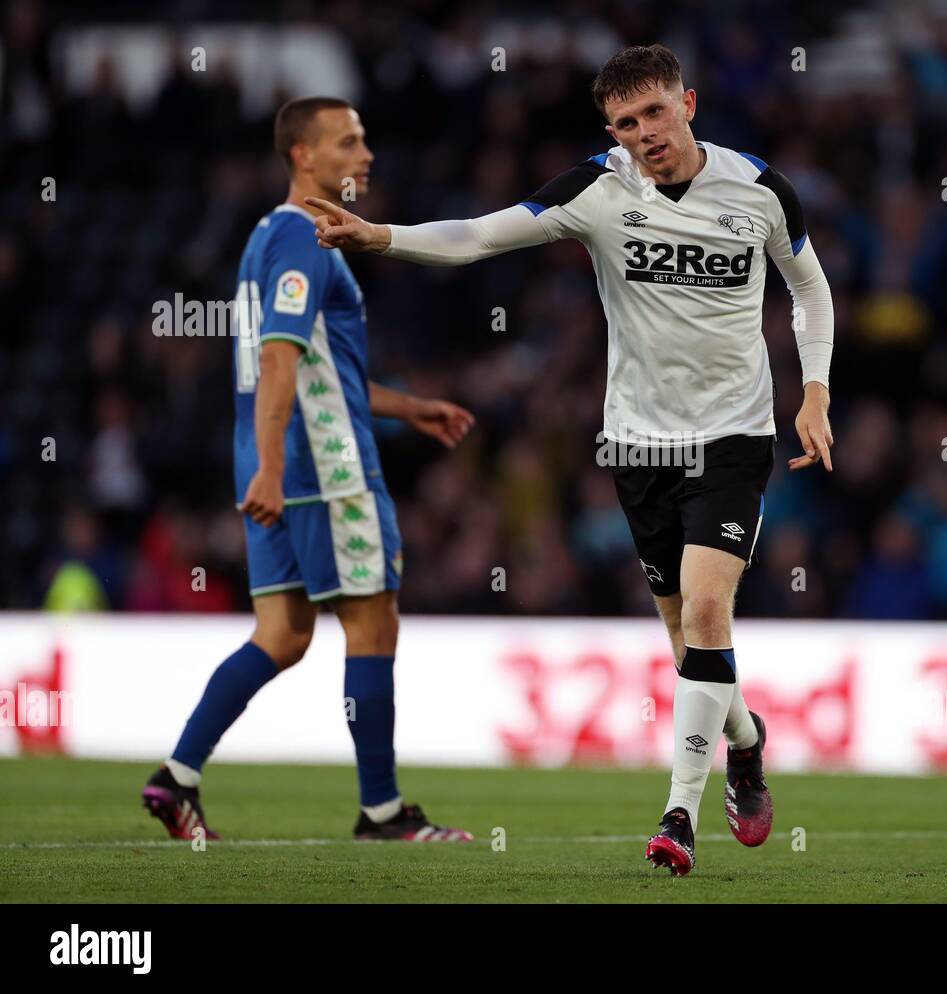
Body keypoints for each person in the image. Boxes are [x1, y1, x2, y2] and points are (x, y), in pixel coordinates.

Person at [307, 45, 835, 875]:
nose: (644, 135)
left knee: (704, 613)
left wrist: (815, 390)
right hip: (637, 443)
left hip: (734, 436)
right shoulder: (599, 189)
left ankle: (677, 817)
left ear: (688, 103)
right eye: (625, 124)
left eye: (655, 113)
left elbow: (808, 287)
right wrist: (381, 236)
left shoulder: (761, 190)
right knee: (689, 640)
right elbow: (482, 236)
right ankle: (746, 739)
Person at [142, 97, 475, 843]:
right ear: (303, 156)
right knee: (372, 624)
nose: (366, 156)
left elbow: (318, 365)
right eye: (348, 142)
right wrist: (272, 466)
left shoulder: (266, 234)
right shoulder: (306, 236)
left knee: (284, 633)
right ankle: (382, 812)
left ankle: (177, 776)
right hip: (325, 467)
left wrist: (407, 405)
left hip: (281, 466)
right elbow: (279, 358)